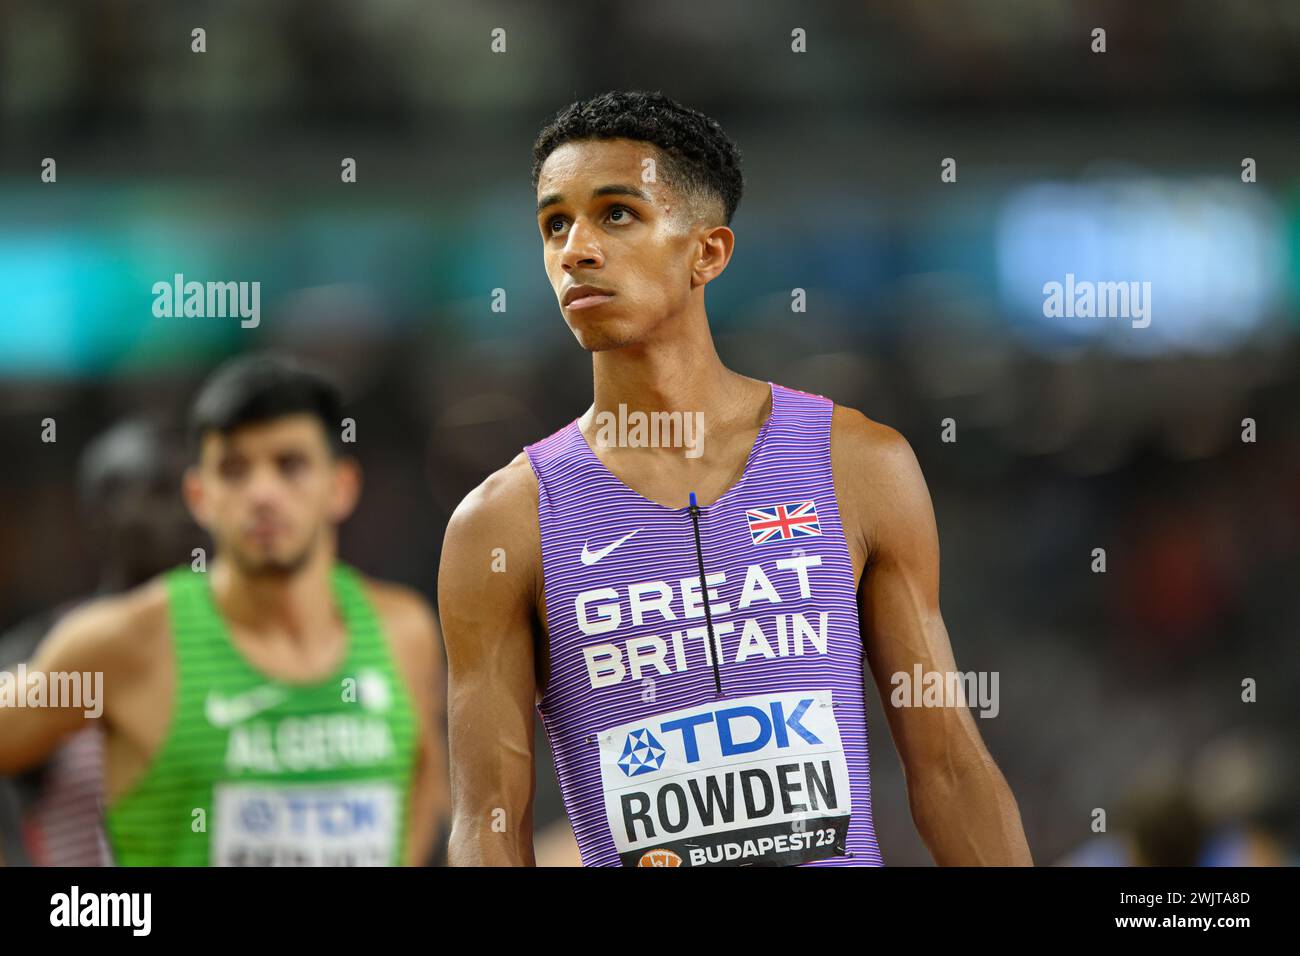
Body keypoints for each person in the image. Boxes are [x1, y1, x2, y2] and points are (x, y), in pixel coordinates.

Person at [439, 90, 1032, 866]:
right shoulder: (503, 521)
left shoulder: (857, 465)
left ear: (708, 253)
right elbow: (487, 819)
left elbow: (950, 767)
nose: (576, 249)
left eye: (617, 214)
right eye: (555, 223)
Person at [0, 353, 448, 865]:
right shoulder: (124, 643)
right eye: (234, 470)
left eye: (290, 465)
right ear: (200, 494)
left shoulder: (403, 632)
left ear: (340, 486)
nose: (262, 493)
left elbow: (426, 789)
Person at [0, 417, 191, 866]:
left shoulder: (237, 646)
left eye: (193, 492)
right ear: (103, 512)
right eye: (162, 492)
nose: (187, 513)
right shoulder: (47, 655)